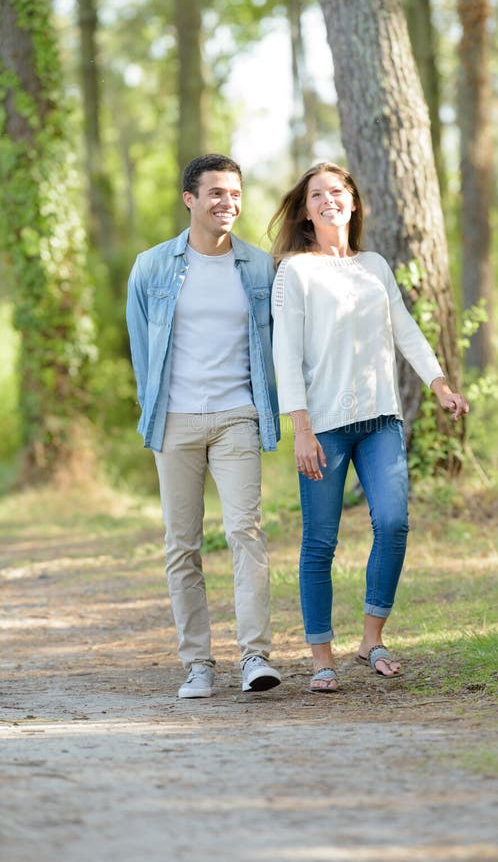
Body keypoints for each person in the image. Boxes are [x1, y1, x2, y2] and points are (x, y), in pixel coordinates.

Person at [269, 162, 469, 693]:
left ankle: (371, 639)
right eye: (317, 194)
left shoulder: (375, 265)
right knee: (319, 542)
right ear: (306, 210)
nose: (329, 199)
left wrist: (440, 384)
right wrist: (302, 429)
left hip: (381, 419)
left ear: (353, 202)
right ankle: (321, 659)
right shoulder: (295, 271)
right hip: (325, 427)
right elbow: (285, 355)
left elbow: (404, 329)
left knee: (395, 522)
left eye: (338, 191)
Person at [126, 153, 282, 699]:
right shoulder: (152, 267)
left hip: (238, 414)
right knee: (182, 544)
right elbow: (142, 351)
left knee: (246, 532)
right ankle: (197, 663)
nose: (228, 202)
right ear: (189, 199)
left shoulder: (260, 267)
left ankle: (255, 657)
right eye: (216, 192)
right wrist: (156, 410)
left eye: (235, 193)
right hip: (176, 421)